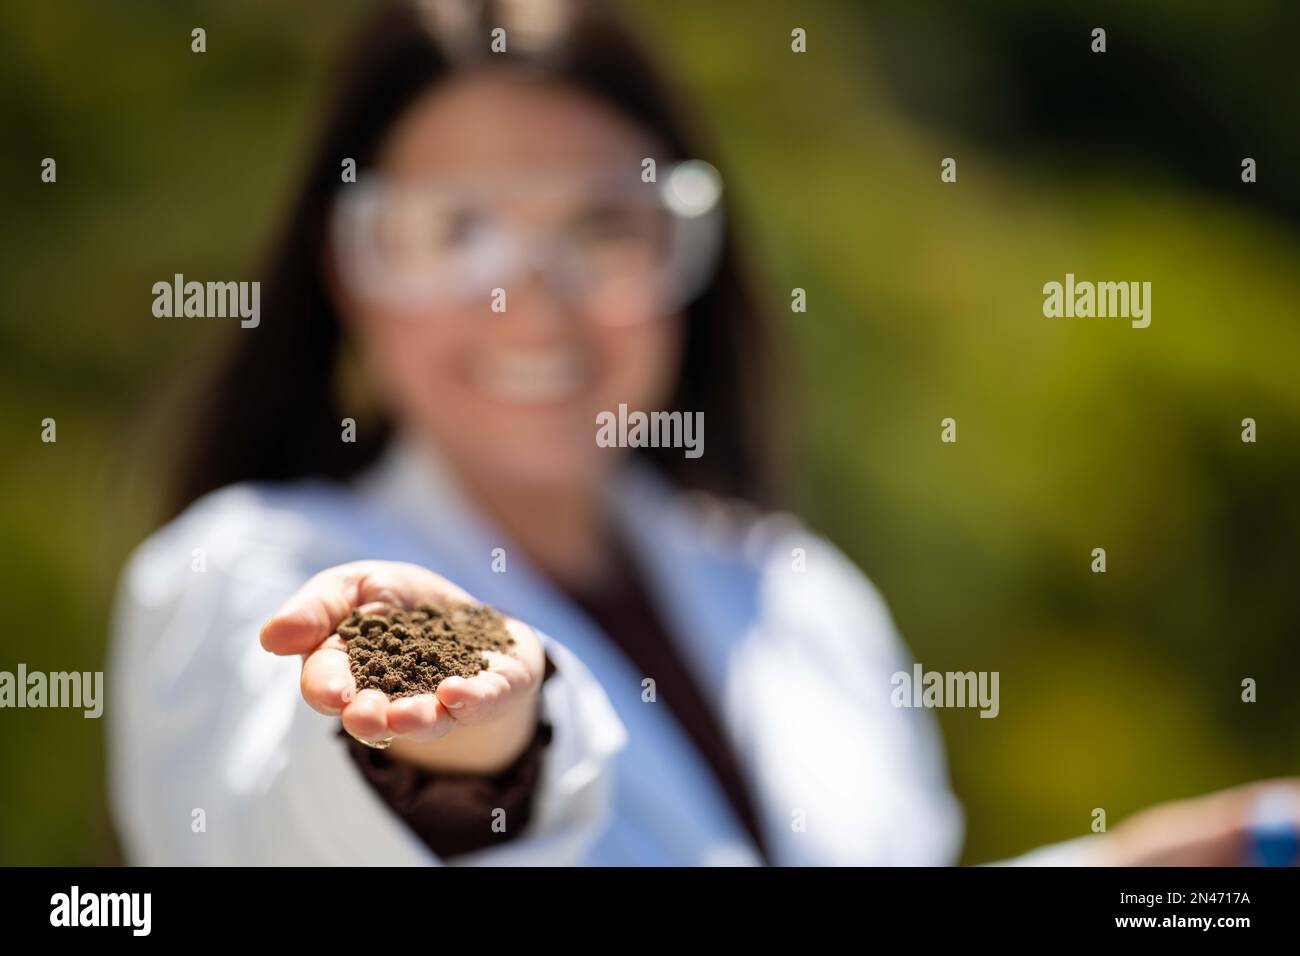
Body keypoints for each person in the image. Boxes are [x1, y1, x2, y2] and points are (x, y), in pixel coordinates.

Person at [108, 0, 1297, 866]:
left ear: (684, 256)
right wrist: (465, 750)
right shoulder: (245, 570)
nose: (530, 296)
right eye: (454, 229)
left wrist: (1140, 878)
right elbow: (285, 824)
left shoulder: (793, 589)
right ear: (350, 274)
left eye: (600, 225)